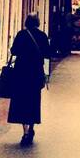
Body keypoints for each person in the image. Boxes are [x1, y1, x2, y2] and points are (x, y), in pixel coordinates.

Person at [8, 12, 51, 146]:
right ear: (37, 22)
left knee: (21, 101)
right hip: (35, 73)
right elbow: (47, 53)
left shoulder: (21, 35)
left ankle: (25, 131)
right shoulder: (42, 35)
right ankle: (31, 127)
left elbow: (14, 51)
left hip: (21, 73)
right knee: (33, 101)